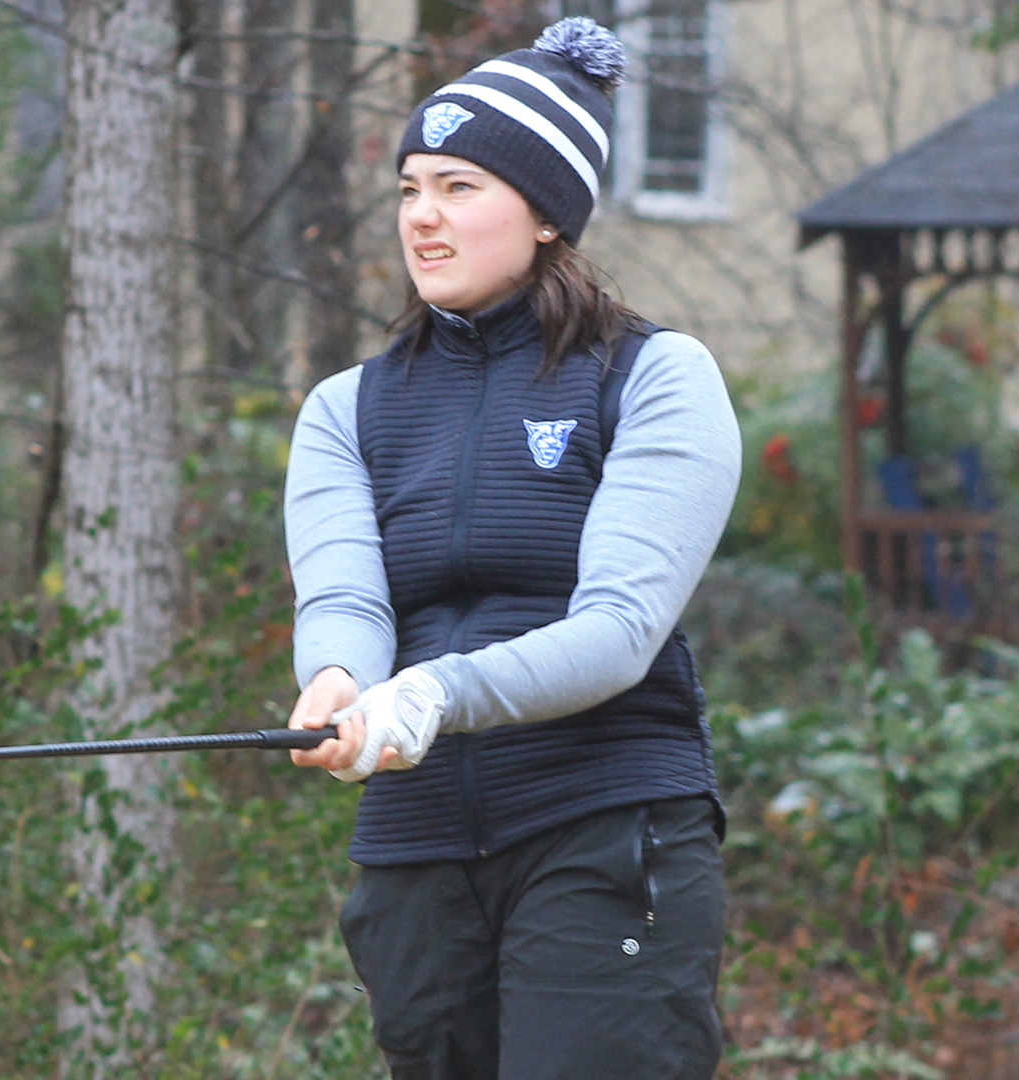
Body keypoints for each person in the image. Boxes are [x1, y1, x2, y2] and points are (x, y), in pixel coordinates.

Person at [281, 18, 743, 1080]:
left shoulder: (654, 378)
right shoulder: (346, 408)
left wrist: (429, 697)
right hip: (416, 850)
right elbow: (347, 597)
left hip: (604, 832)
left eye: (459, 186)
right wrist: (339, 683)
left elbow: (620, 632)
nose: (423, 217)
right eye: (408, 189)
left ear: (544, 212)